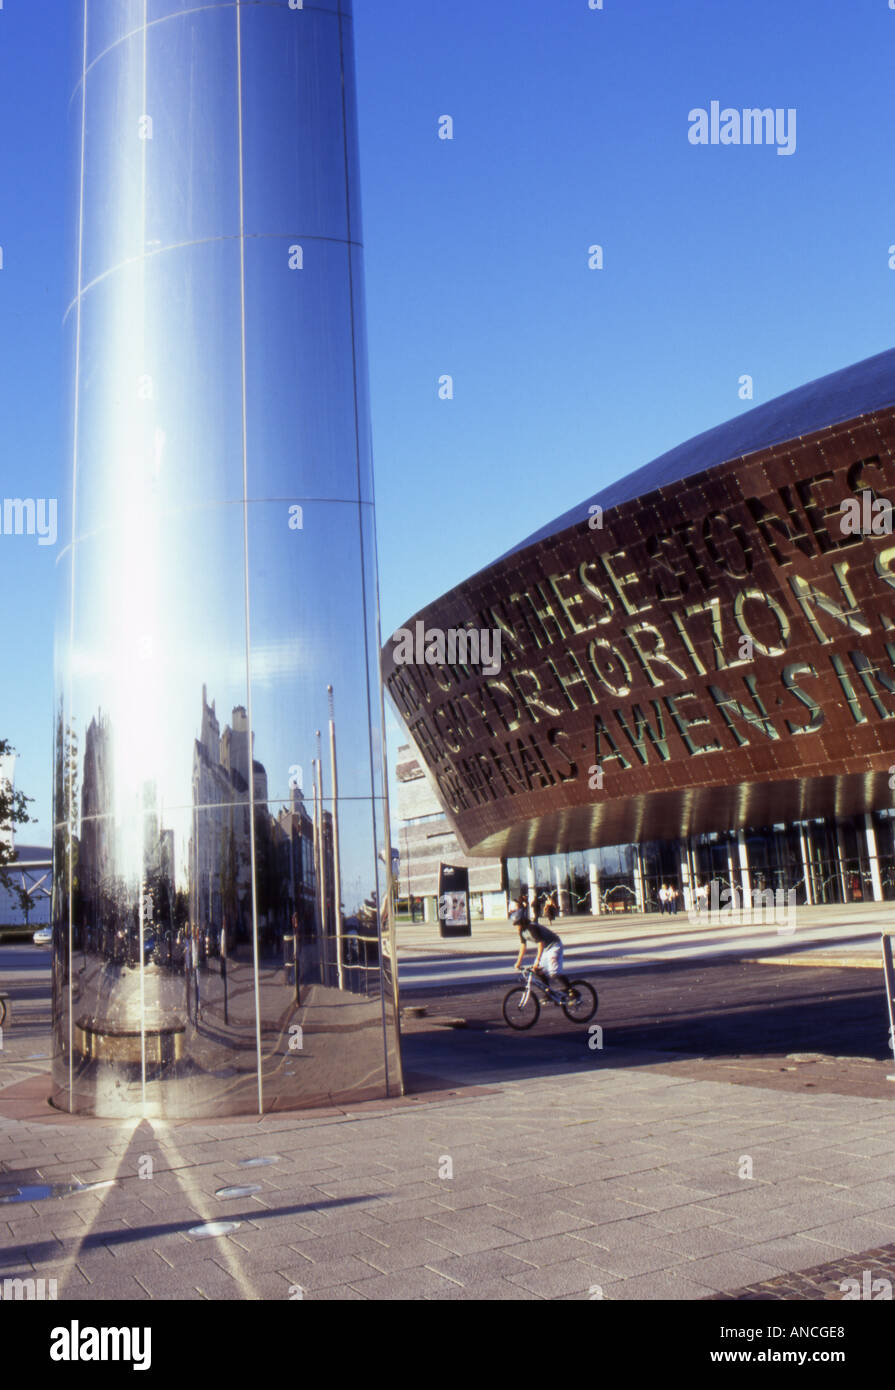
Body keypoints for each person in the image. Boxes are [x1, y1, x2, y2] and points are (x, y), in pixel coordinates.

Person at [513, 902, 575, 1000]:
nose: (516, 927)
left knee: (554, 972)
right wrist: (518, 962)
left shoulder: (531, 928)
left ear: (522, 922)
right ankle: (549, 993)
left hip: (554, 945)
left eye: (517, 924)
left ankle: (572, 991)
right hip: (546, 949)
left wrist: (537, 960)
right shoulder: (522, 931)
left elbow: (540, 943)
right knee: (538, 971)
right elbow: (523, 947)